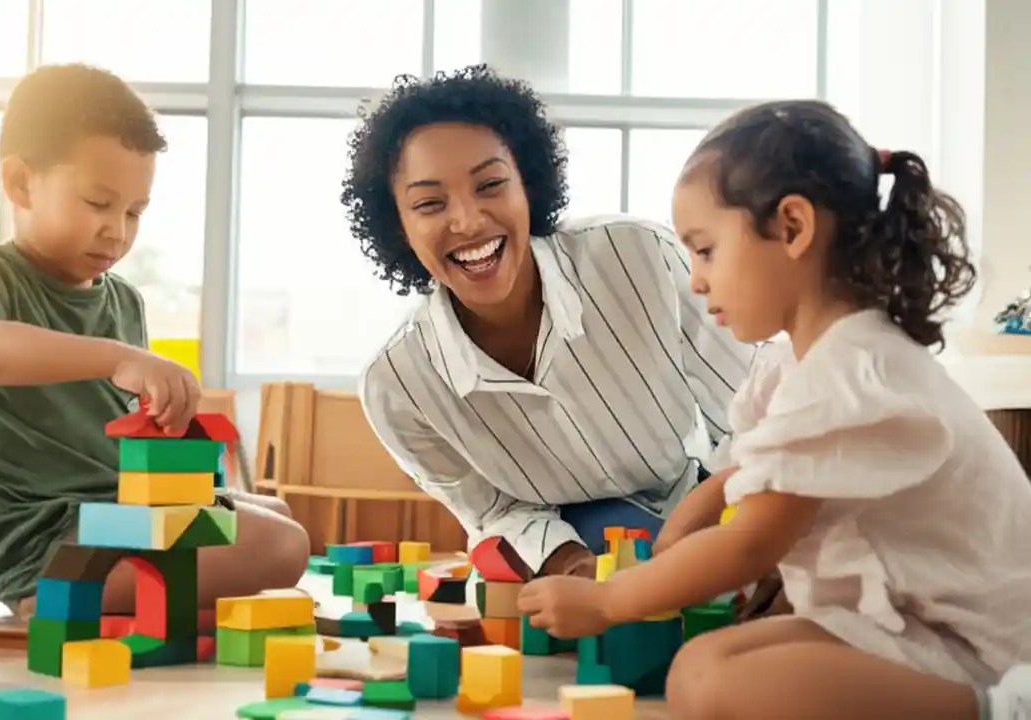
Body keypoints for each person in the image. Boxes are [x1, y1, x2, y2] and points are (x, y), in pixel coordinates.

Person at [517, 99, 1031, 720]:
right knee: (701, 669)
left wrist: (607, 601)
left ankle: (999, 710)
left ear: (792, 228)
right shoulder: (803, 365)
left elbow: (751, 543)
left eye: (705, 251)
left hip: (985, 653)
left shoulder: (852, 371)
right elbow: (760, 476)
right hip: (910, 627)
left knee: (716, 687)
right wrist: (693, 513)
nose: (697, 280)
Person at [346, 65, 758, 581]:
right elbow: (495, 513)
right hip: (568, 549)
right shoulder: (399, 386)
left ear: (528, 186)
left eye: (491, 185)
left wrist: (698, 534)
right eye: (430, 204)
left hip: (704, 511)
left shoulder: (640, 257)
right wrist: (577, 570)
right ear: (398, 226)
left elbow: (752, 423)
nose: (469, 221)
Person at [0, 63, 309, 620]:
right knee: (282, 545)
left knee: (272, 509)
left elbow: (121, 435)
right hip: (46, 535)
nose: (119, 230)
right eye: (97, 203)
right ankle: (54, 596)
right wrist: (117, 357)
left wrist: (171, 437)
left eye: (135, 212)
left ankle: (145, 601)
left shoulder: (123, 301)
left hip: (118, 513)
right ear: (20, 183)